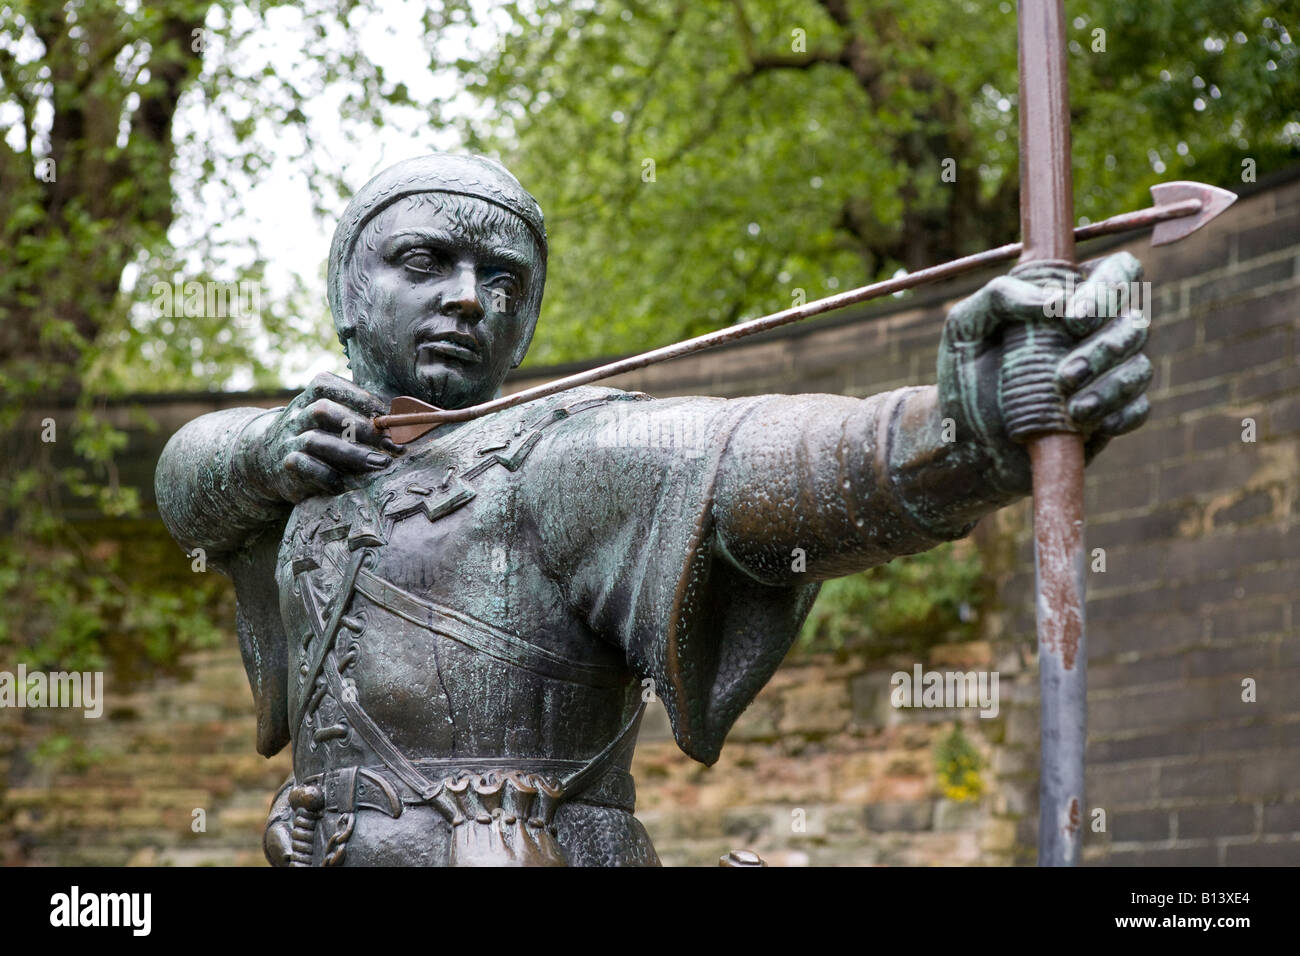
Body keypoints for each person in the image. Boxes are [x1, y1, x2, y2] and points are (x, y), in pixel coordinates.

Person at [155, 153, 1151, 866]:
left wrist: (961, 431)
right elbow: (185, 476)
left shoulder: (566, 450)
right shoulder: (299, 463)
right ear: (349, 292)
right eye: (424, 263)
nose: (470, 299)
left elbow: (765, 459)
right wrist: (272, 449)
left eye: (503, 279)